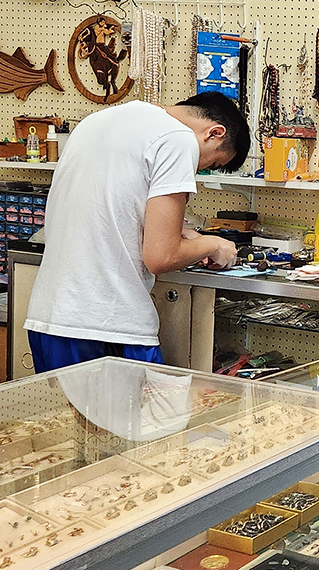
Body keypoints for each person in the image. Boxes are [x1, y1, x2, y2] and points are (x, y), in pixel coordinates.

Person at [25, 93, 250, 373]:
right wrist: (214, 244)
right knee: (151, 417)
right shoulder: (178, 139)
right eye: (211, 164)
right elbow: (162, 257)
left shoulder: (97, 121)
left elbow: (106, 204)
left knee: (67, 418)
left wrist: (181, 231)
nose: (200, 171)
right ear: (214, 133)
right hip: (108, 327)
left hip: (50, 319)